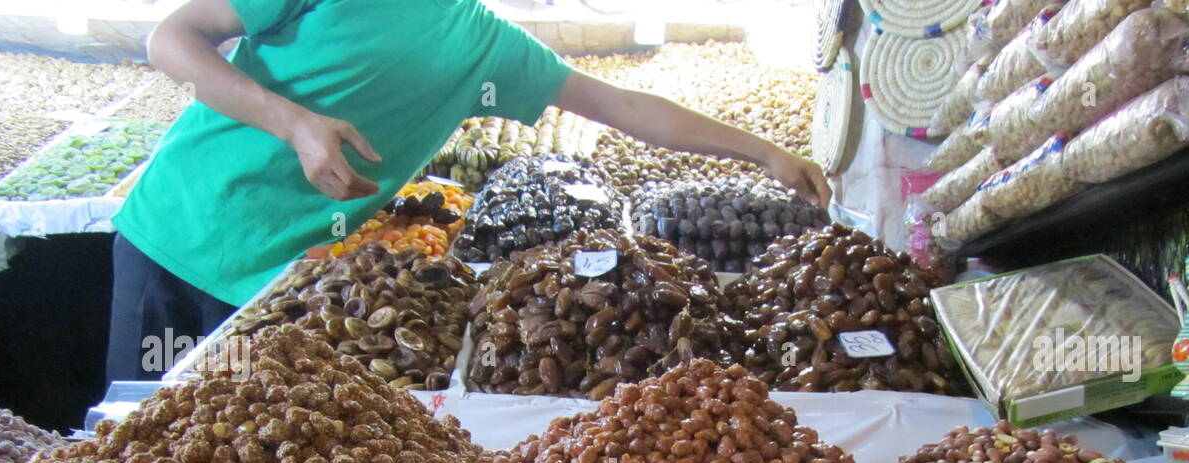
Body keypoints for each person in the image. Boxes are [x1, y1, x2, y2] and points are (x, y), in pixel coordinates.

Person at [107, 0, 832, 385]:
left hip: (284, 281)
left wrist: (762, 149)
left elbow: (622, 106)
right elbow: (171, 38)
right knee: (137, 436)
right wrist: (293, 123)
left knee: (224, 459)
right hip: (179, 234)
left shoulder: (484, 43)